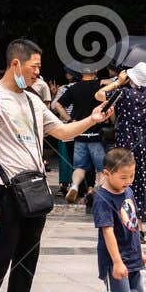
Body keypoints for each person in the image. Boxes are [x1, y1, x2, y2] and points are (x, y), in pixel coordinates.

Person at [0, 38, 109, 292]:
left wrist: (92, 120)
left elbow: (61, 131)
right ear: (15, 63)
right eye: (34, 68)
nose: (37, 74)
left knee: (28, 255)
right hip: (6, 188)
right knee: (0, 252)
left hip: (35, 187)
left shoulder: (32, 100)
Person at [104, 63, 146, 241]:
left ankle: (136, 229)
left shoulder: (124, 93)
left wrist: (118, 82)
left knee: (128, 184)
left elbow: (99, 95)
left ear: (132, 79)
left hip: (127, 145)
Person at [94, 146, 146, 292]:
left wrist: (142, 252)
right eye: (123, 177)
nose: (128, 181)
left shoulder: (128, 191)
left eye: (132, 176)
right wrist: (116, 262)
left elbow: (133, 223)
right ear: (107, 173)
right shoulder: (103, 198)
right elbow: (107, 231)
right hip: (116, 259)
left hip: (133, 255)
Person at [55, 66, 104, 207]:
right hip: (97, 135)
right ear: (95, 72)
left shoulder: (74, 88)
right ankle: (100, 194)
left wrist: (70, 120)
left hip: (80, 134)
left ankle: (75, 186)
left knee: (80, 167)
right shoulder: (99, 88)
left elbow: (58, 104)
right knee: (101, 169)